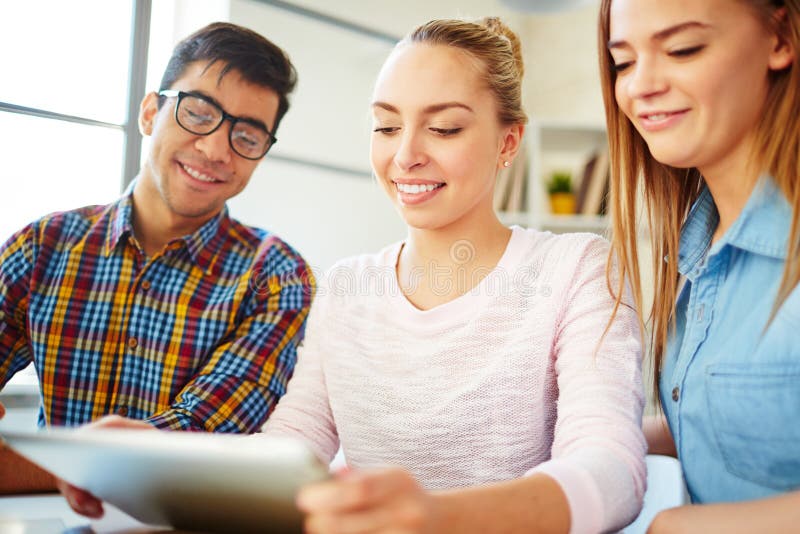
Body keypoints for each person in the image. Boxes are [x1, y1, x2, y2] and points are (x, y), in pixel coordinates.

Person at [58, 17, 647, 533]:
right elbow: (292, 447)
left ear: (508, 141)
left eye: (443, 128)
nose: (406, 154)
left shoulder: (577, 269)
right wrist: (156, 461)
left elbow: (611, 468)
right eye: (387, 126)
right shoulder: (345, 286)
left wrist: (442, 520)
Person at [0, 22, 313, 493]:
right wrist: (88, 465)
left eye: (246, 137)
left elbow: (204, 442)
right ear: (150, 112)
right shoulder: (43, 247)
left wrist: (52, 466)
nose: (214, 149)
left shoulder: (276, 275)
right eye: (198, 112)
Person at [599, 0, 800, 531]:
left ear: (780, 40)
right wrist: (599, 440)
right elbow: (751, 429)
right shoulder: (699, 254)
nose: (640, 86)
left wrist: (683, 526)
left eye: (682, 49)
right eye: (622, 62)